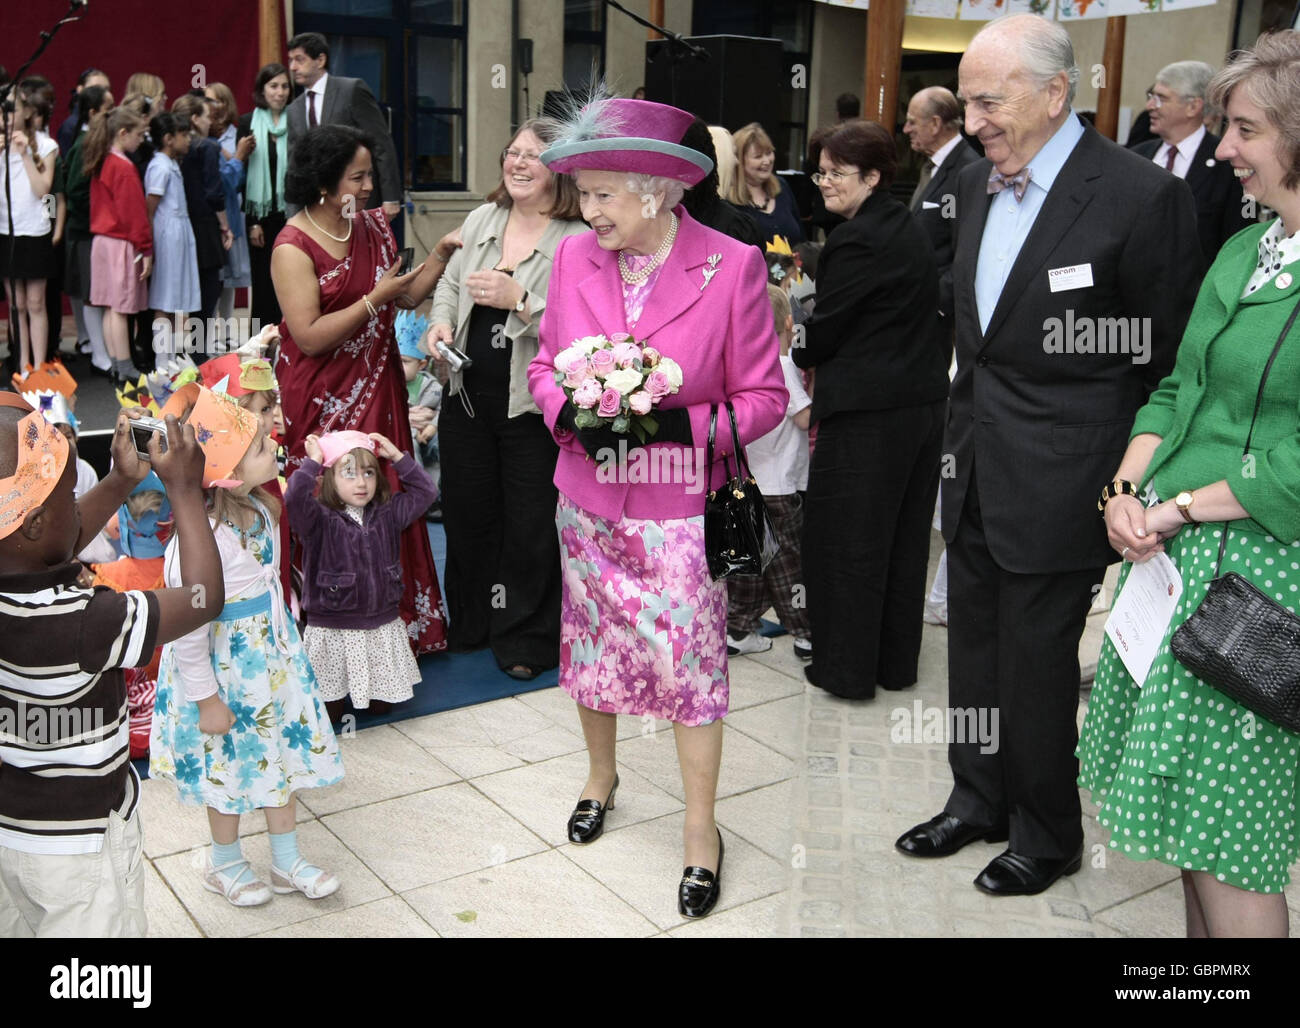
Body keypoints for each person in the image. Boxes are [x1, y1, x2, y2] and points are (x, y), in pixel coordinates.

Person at [894, 14, 1202, 897]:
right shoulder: (981, 186)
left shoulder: (1141, 197)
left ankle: (1047, 829)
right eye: (970, 100)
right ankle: (976, 797)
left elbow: (1168, 362)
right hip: (976, 464)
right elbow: (974, 337)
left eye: (990, 100)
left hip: (1068, 479)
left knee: (1034, 664)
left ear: (1056, 92)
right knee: (974, 650)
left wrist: (1127, 485)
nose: (975, 119)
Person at [527, 97, 786, 918]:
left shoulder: (733, 265)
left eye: (605, 193)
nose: (588, 209)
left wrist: (682, 424)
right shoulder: (571, 258)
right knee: (592, 649)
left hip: (680, 507)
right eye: (585, 192)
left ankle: (702, 832)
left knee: (691, 673)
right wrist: (567, 414)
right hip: (587, 499)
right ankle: (600, 778)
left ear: (660, 191)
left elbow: (765, 398)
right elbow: (543, 365)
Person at [1080, 29, 1300, 938]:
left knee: (1231, 842)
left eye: (1244, 128)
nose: (1223, 152)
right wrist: (1123, 492)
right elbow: (1177, 385)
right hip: (1177, 566)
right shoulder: (1248, 251)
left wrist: (1168, 508)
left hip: (1260, 587)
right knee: (1185, 827)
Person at [0, 398, 224, 938]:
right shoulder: (86, 620)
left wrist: (122, 481)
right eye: (69, 499)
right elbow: (201, 598)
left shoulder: (21, 576)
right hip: (83, 846)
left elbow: (48, 542)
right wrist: (186, 492)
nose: (79, 507)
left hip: (12, 827)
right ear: (32, 524)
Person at [150, 382, 344, 907]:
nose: (274, 444)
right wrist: (206, 699)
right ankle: (225, 863)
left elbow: (270, 590)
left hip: (269, 666)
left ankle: (286, 861)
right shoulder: (198, 542)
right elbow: (188, 629)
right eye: (261, 446)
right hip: (222, 674)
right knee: (229, 769)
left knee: (277, 761)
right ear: (229, 473)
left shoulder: (261, 512)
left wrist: (288, 652)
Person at [272, 124, 456, 655]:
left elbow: (404, 295)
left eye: (370, 174)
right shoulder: (293, 245)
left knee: (383, 495)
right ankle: (330, 641)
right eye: (358, 177)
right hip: (321, 397)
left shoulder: (375, 226)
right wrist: (375, 299)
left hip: (380, 390)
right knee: (334, 500)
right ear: (325, 185)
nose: (370, 186)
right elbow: (306, 336)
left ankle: (394, 636)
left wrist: (439, 257)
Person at [791, 119, 949, 701]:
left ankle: (846, 671)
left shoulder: (857, 240)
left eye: (837, 173)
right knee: (902, 543)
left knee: (846, 542)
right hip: (919, 407)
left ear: (874, 176)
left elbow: (825, 334)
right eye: (821, 171)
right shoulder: (903, 224)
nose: (824, 183)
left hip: (869, 414)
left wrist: (796, 335)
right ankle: (892, 664)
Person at [429, 118, 587, 678]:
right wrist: (441, 325)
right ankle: (471, 623)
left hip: (531, 406)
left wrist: (521, 297)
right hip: (466, 399)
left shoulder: (578, 236)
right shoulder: (481, 218)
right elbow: (449, 284)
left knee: (529, 524)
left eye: (533, 156)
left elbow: (585, 328)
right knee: (470, 517)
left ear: (560, 169)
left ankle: (524, 637)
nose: (517, 163)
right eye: (512, 152)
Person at [288, 431, 436, 718]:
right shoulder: (317, 518)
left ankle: (374, 698)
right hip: (333, 625)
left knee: (382, 707)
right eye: (349, 473)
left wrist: (397, 457)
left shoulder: (389, 512)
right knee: (328, 710)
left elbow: (426, 492)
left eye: (368, 473)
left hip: (380, 623)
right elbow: (293, 498)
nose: (361, 482)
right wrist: (312, 462)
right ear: (329, 477)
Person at [726, 284, 812, 661]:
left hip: (740, 482)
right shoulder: (783, 367)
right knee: (789, 565)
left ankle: (737, 628)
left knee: (745, 566)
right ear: (790, 324)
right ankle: (807, 632)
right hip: (778, 485)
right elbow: (804, 416)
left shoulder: (739, 367)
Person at [1132, 61, 1253, 268]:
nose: (1150, 106)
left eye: (1161, 98)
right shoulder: (1135, 157)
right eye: (1151, 97)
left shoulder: (1230, 165)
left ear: (1193, 107)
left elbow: (1238, 241)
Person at [285, 32, 401, 222]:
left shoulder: (351, 90)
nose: (292, 67)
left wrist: (391, 197)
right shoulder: (294, 109)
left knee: (361, 250)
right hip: (318, 208)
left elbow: (380, 143)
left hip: (359, 200)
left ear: (320, 59)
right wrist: (293, 212)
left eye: (299, 59)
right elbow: (294, 163)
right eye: (290, 61)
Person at [84, 105, 152, 384]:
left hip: (102, 243)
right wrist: (145, 248)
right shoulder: (123, 167)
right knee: (122, 308)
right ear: (123, 133)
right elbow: (133, 213)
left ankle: (116, 363)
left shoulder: (102, 161)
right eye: (139, 134)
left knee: (111, 308)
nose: (141, 140)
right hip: (120, 243)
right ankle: (125, 367)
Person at [904, 86, 981, 329]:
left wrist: (936, 304)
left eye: (912, 122)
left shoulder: (968, 171)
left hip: (941, 315)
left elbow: (968, 252)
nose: (906, 129)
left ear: (935, 124)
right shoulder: (932, 165)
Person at [1, 81, 59, 375]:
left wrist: (24, 154)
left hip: (34, 231)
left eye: (12, 111)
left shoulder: (46, 145)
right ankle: (21, 363)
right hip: (6, 231)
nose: (7, 117)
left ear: (25, 112)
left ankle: (39, 365)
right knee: (16, 304)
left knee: (36, 302)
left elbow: (43, 190)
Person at [62, 84, 114, 376]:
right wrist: (101, 214)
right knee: (92, 293)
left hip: (95, 230)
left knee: (99, 292)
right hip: (86, 231)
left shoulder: (94, 141)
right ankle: (99, 354)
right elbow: (75, 191)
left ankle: (102, 350)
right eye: (107, 108)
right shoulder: (84, 145)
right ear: (93, 112)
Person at [172, 94, 231, 342]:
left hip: (184, 223)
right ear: (195, 119)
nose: (210, 122)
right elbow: (214, 192)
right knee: (209, 286)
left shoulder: (176, 149)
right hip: (205, 225)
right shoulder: (207, 147)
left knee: (192, 286)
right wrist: (225, 225)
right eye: (207, 117)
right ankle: (199, 347)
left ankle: (193, 346)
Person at [237, 63, 291, 328]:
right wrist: (252, 222)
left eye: (284, 86)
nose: (279, 92)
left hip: (292, 214)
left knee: (291, 278)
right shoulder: (248, 122)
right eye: (273, 86)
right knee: (263, 281)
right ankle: (260, 346)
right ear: (262, 89)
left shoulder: (298, 119)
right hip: (261, 218)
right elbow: (244, 174)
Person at [145, 112, 200, 365]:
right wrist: (150, 245)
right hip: (168, 237)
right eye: (184, 135)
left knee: (179, 299)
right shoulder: (160, 166)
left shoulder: (173, 164)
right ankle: (162, 360)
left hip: (180, 233)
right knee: (165, 298)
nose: (188, 139)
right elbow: (150, 208)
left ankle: (178, 357)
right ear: (168, 139)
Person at [206, 82, 254, 342]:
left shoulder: (238, 135)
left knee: (231, 278)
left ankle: (225, 331)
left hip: (232, 212)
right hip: (213, 213)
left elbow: (240, 178)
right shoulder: (203, 137)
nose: (210, 106)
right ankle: (208, 334)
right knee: (215, 278)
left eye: (214, 100)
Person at [728, 122, 803, 245]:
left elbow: (801, 238)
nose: (767, 161)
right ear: (740, 161)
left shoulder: (782, 186)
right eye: (758, 157)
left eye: (769, 153)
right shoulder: (729, 201)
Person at [56, 67, 110, 155]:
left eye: (106, 89)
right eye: (95, 89)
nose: (103, 94)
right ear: (80, 89)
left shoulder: (110, 122)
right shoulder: (70, 127)